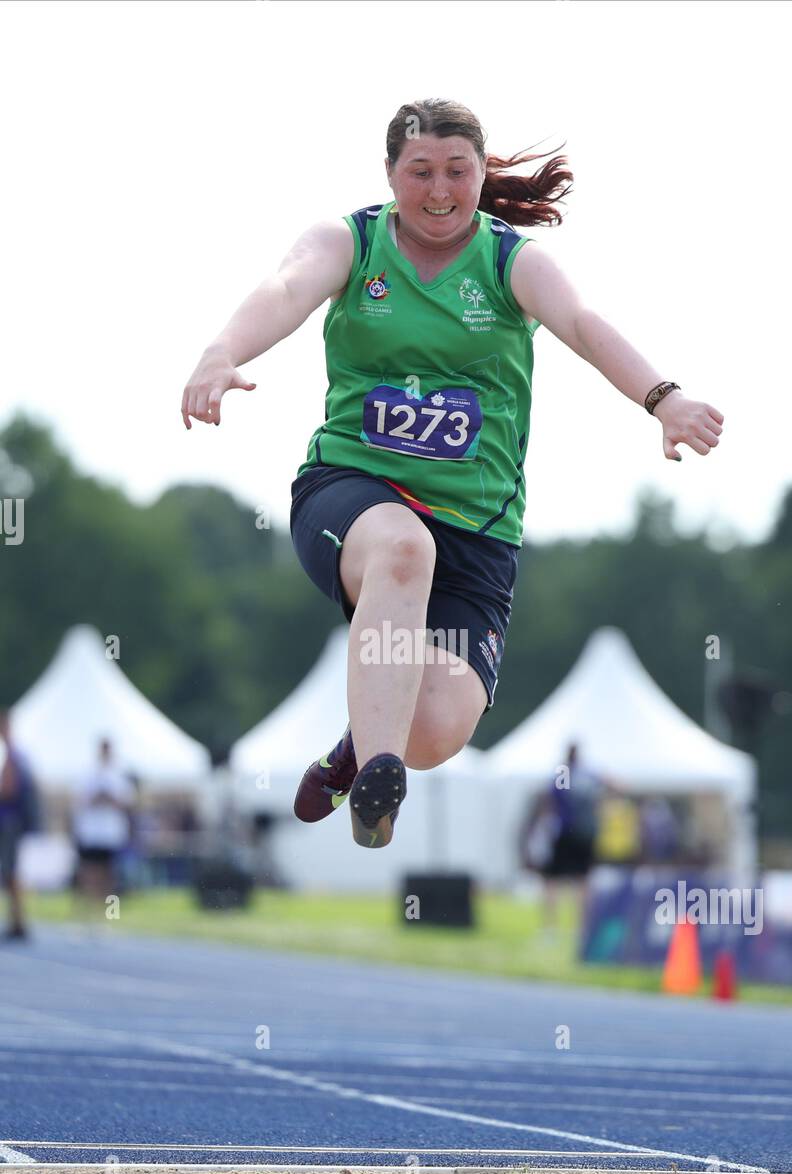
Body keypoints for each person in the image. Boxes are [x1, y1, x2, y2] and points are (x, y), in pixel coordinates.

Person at [181, 98, 724, 851]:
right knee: (405, 550)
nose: (439, 191)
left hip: (478, 530)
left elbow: (581, 323)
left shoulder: (511, 261)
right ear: (390, 174)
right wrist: (222, 352)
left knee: (435, 731)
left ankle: (355, 750)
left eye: (457, 172)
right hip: (351, 491)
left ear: (478, 171)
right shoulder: (351, 242)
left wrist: (663, 398)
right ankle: (377, 779)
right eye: (420, 172)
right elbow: (285, 289)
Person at [522, 743, 603, 931]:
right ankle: (583, 927)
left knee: (550, 881)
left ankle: (551, 926)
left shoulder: (564, 773)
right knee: (583, 882)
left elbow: (551, 801)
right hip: (586, 836)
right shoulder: (589, 776)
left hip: (564, 833)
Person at [72, 738, 135, 913]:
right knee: (88, 872)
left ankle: (110, 912)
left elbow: (127, 801)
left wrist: (110, 799)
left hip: (110, 833)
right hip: (91, 832)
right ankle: (87, 911)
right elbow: (79, 799)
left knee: (109, 874)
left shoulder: (119, 773)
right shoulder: (88, 772)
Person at [0, 708, 39, 941]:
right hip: (11, 822)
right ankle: (17, 919)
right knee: (10, 871)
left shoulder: (11, 755)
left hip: (8, 822)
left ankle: (19, 920)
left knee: (11, 871)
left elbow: (8, 789)